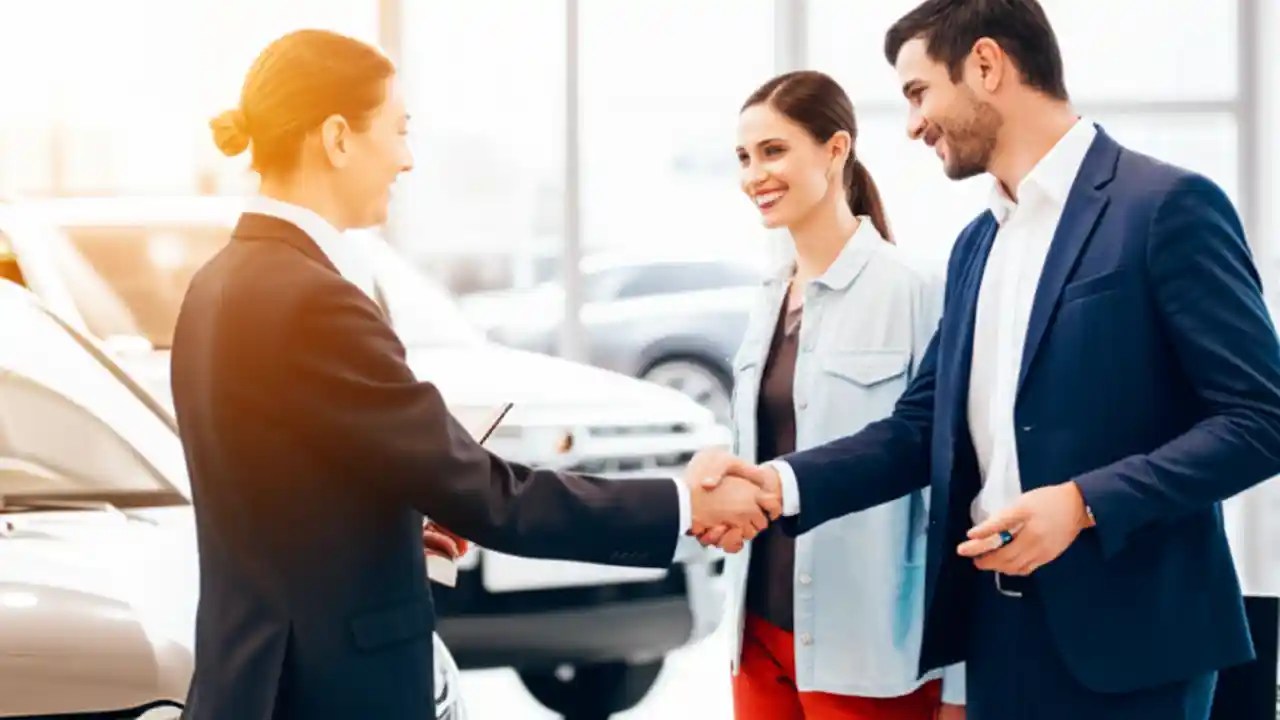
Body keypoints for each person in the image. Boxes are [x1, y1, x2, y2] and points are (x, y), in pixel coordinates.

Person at [692, 1, 1280, 718]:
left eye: (918, 92)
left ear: (986, 65)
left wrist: (1083, 504)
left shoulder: (1165, 206)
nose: (912, 123)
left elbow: (1260, 419)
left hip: (1136, 649)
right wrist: (776, 485)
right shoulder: (976, 245)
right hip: (998, 634)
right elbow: (916, 430)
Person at [172, 29, 777, 720]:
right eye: (398, 132)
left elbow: (275, 492)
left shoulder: (217, 282)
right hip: (329, 690)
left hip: (251, 680)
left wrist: (393, 530)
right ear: (337, 138)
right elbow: (492, 496)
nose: (404, 159)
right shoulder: (312, 298)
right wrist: (683, 505)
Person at [721, 70, 963, 720]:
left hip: (871, 651)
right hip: (758, 636)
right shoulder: (767, 297)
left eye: (774, 151)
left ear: (835, 150)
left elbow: (958, 486)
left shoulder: (917, 290)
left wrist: (962, 683)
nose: (754, 175)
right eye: (744, 157)